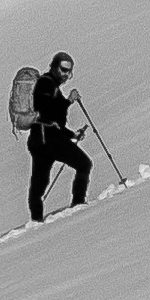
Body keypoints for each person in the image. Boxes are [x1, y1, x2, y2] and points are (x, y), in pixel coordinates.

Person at [27, 52, 95, 217]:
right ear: (54, 67)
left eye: (69, 71)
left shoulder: (49, 85)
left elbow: (53, 121)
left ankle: (36, 222)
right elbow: (48, 111)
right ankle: (78, 204)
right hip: (48, 141)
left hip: (41, 141)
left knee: (39, 185)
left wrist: (72, 134)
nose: (66, 74)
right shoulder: (45, 83)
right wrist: (68, 101)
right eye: (64, 69)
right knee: (84, 164)